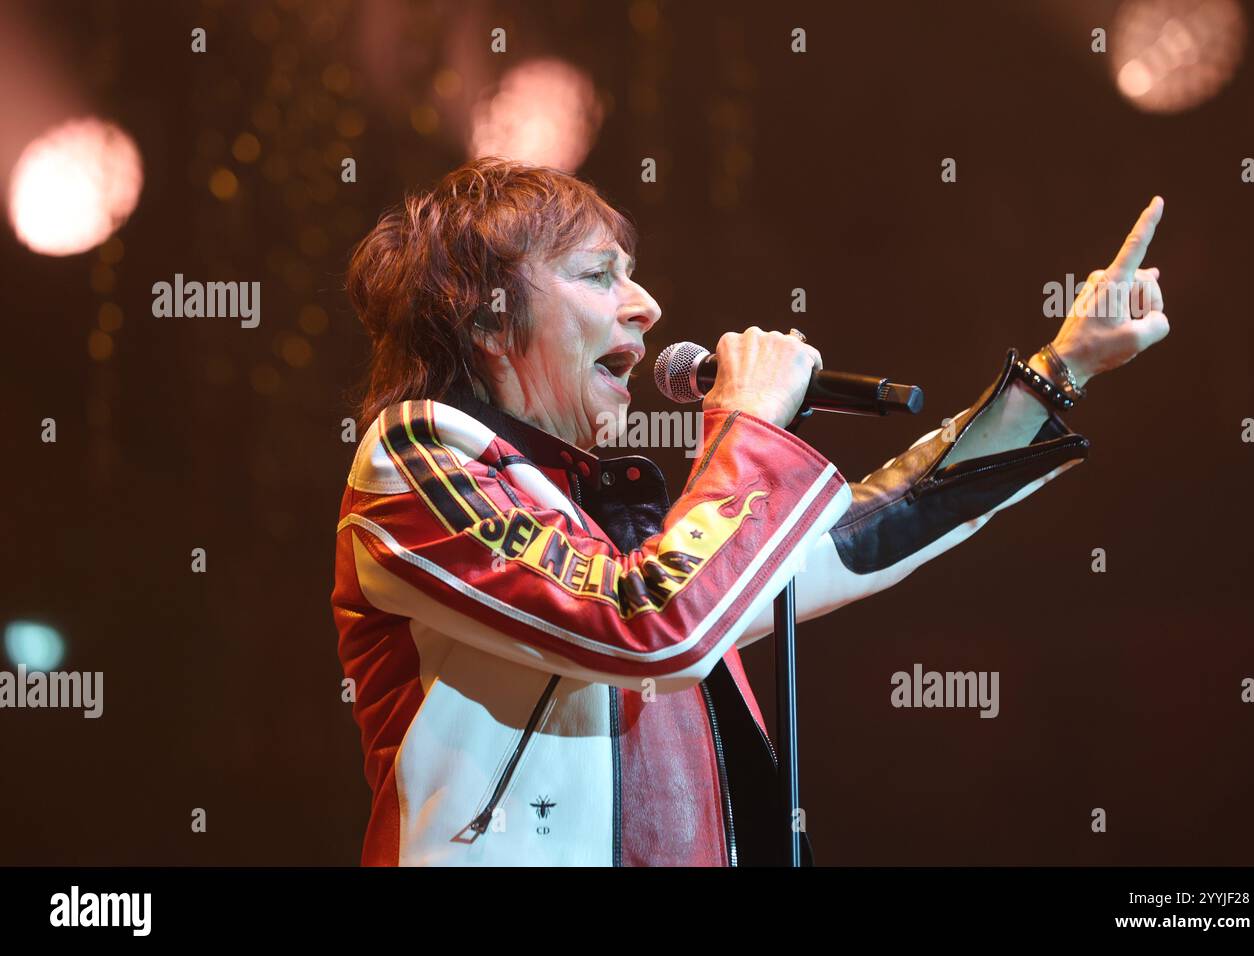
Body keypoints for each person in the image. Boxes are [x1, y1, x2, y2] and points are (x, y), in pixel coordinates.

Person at [331, 157, 1168, 866]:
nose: (647, 305)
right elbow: (651, 626)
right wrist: (750, 427)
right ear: (487, 314)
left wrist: (1060, 372)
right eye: (597, 275)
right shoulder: (419, 456)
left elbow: (853, 540)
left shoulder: (605, 529)